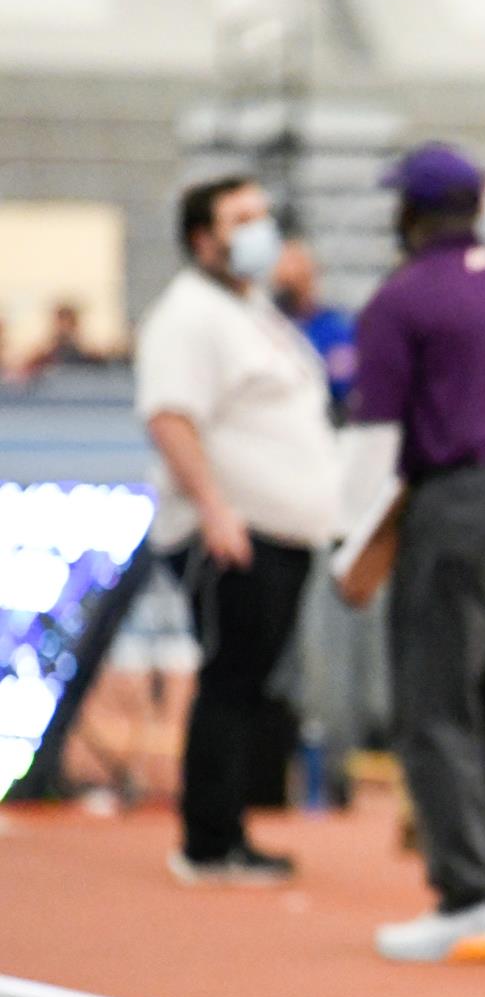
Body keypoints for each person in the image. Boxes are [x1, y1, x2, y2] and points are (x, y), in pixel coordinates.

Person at [351, 143, 485, 964]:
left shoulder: (401, 300)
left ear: (408, 214)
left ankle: (466, 893)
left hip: (458, 502)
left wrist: (353, 547)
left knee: (436, 700)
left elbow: (376, 437)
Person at [135, 175, 341, 884]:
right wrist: (216, 509)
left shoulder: (250, 309)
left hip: (282, 532)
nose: (262, 227)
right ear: (203, 238)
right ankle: (209, 841)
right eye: (242, 217)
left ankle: (225, 831)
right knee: (229, 682)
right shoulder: (188, 314)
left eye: (263, 213)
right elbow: (169, 415)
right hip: (233, 533)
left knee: (247, 686)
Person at [271, 238, 359, 415]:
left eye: (299, 273)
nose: (290, 279)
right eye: (284, 278)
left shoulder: (337, 328)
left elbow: (347, 387)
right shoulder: (262, 326)